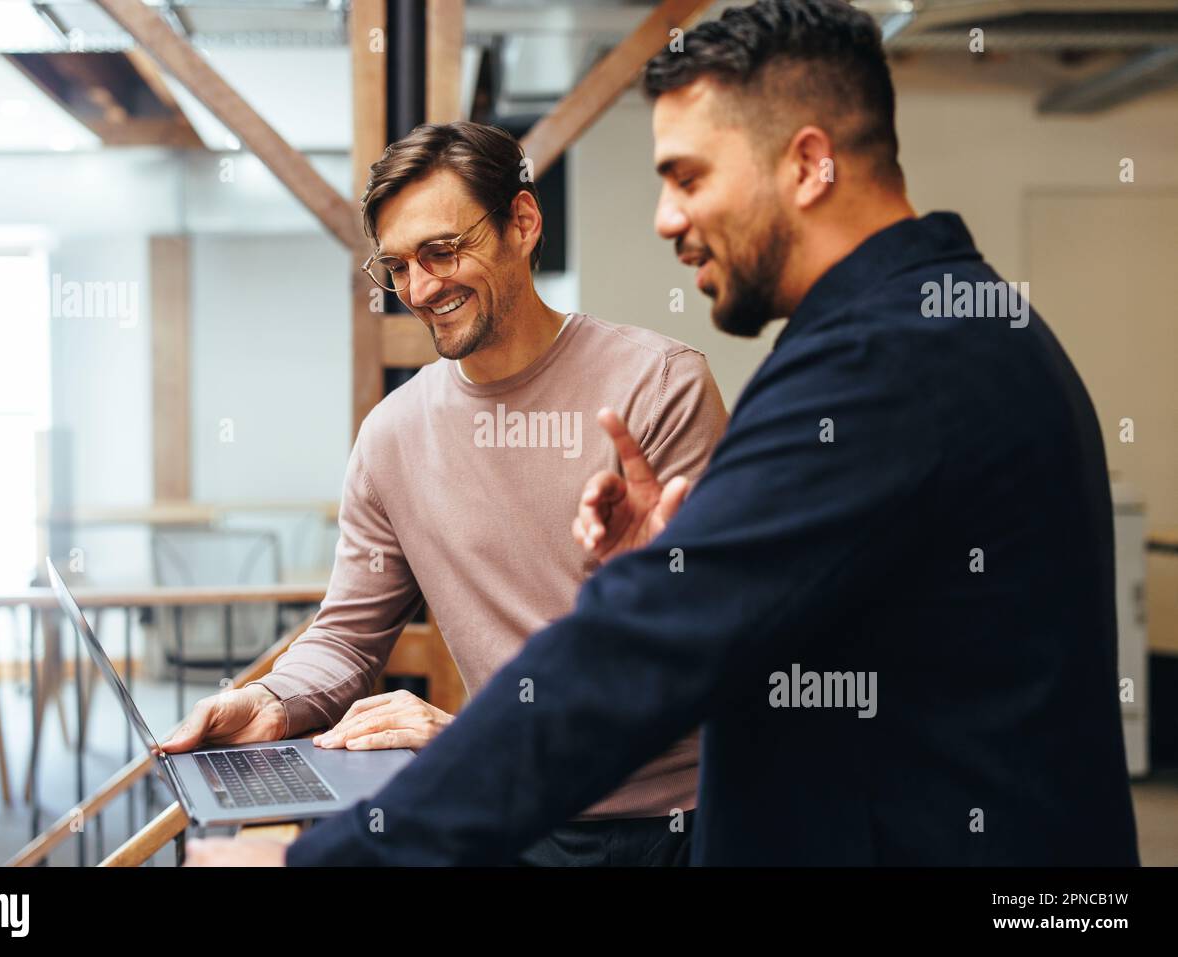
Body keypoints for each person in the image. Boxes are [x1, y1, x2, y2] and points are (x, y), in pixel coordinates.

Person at [187, 0, 1138, 867]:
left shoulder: (880, 367)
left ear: (808, 163)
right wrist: (669, 570)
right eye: (400, 265)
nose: (665, 218)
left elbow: (643, 658)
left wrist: (311, 864)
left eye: (687, 177)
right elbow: (780, 633)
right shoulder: (947, 321)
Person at [163, 120, 728, 866]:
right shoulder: (393, 433)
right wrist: (271, 700)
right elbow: (347, 634)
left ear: (522, 223)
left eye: (442, 250)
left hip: (677, 821)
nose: (421, 289)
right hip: (512, 810)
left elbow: (705, 649)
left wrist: (469, 739)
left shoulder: (660, 385)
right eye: (396, 266)